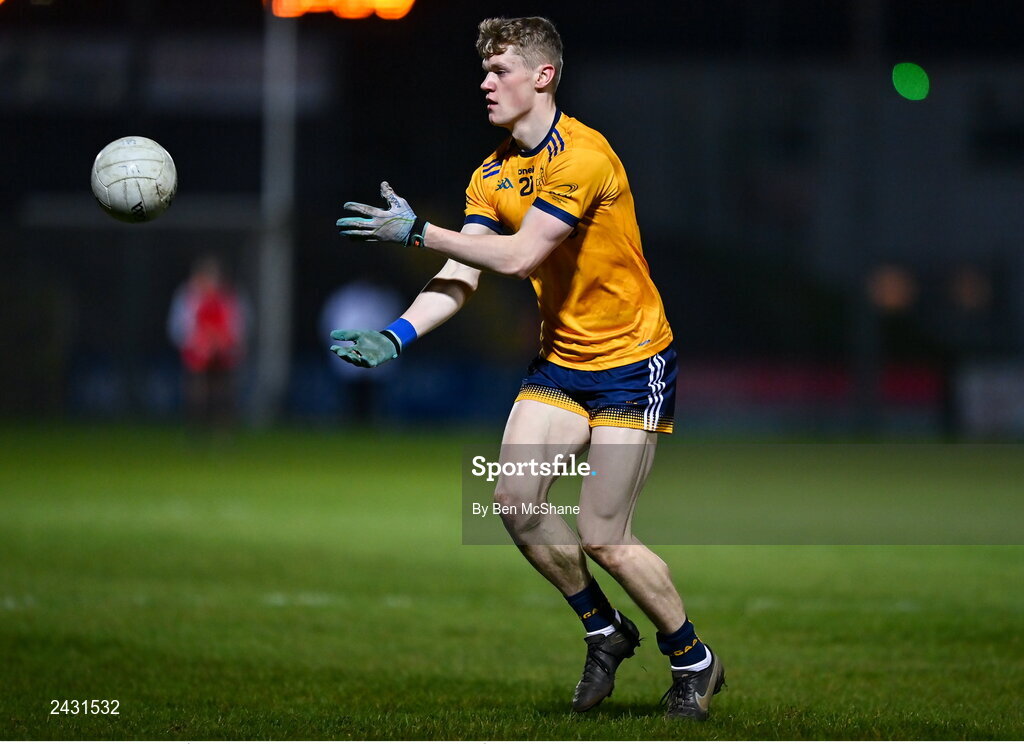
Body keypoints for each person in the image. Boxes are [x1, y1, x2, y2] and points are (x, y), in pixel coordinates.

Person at [332, 17, 724, 720]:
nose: (485, 82)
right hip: (561, 364)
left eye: (501, 69)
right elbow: (465, 271)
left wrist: (415, 229)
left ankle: (693, 658)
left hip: (634, 363)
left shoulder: (584, 155)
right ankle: (604, 631)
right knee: (514, 502)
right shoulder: (492, 174)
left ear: (543, 76)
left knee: (605, 534)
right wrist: (396, 335)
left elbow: (518, 258)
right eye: (483, 71)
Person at [167, 256, 246, 431]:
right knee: (198, 392)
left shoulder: (227, 297)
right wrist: (199, 344)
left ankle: (223, 433)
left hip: (223, 353)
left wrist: (223, 344)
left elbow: (238, 324)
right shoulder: (187, 297)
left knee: (222, 392)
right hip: (197, 353)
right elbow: (178, 327)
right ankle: (196, 432)